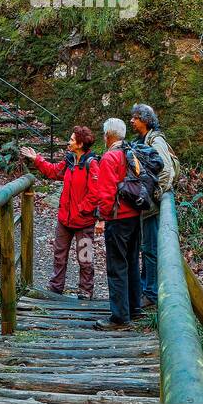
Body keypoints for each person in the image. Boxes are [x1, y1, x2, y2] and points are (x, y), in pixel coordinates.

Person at [20, 126, 98, 299]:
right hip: (65, 219)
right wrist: (36, 159)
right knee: (59, 255)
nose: (68, 142)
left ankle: (86, 292)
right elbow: (54, 171)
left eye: (71, 139)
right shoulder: (70, 160)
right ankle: (55, 289)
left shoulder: (91, 164)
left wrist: (81, 210)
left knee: (85, 258)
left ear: (80, 143)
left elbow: (95, 194)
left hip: (83, 222)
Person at [86, 118, 142, 330]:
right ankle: (134, 308)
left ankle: (119, 317)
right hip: (135, 215)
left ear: (108, 135)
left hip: (118, 218)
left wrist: (102, 218)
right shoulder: (131, 152)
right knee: (131, 262)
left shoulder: (110, 157)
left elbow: (106, 192)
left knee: (117, 266)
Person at [130, 104, 177, 310]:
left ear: (146, 120)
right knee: (145, 248)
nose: (132, 121)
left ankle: (151, 293)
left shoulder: (155, 140)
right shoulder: (141, 140)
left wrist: (155, 194)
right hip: (143, 205)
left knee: (150, 249)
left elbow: (166, 170)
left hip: (152, 206)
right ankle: (144, 289)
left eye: (136, 118)